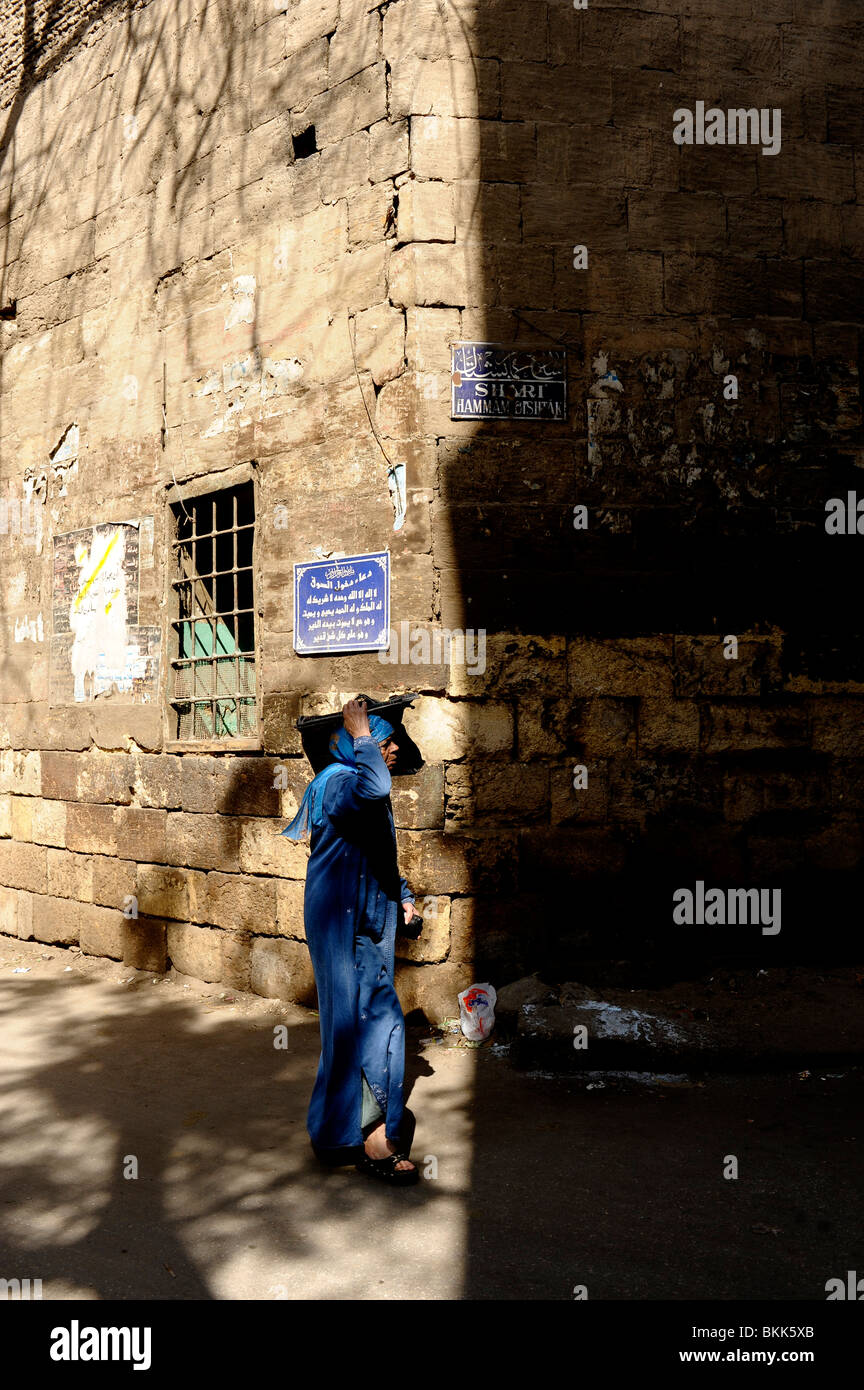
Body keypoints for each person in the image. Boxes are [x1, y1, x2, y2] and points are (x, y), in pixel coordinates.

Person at [283, 696, 421, 1185]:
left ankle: (355, 1130)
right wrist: (363, 731)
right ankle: (356, 1134)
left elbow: (380, 849)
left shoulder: (361, 787)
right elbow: (375, 782)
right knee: (354, 1020)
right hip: (337, 918)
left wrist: (402, 895)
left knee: (375, 1016)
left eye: (388, 743)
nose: (394, 752)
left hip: (369, 914)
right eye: (387, 743)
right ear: (351, 743)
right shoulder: (340, 783)